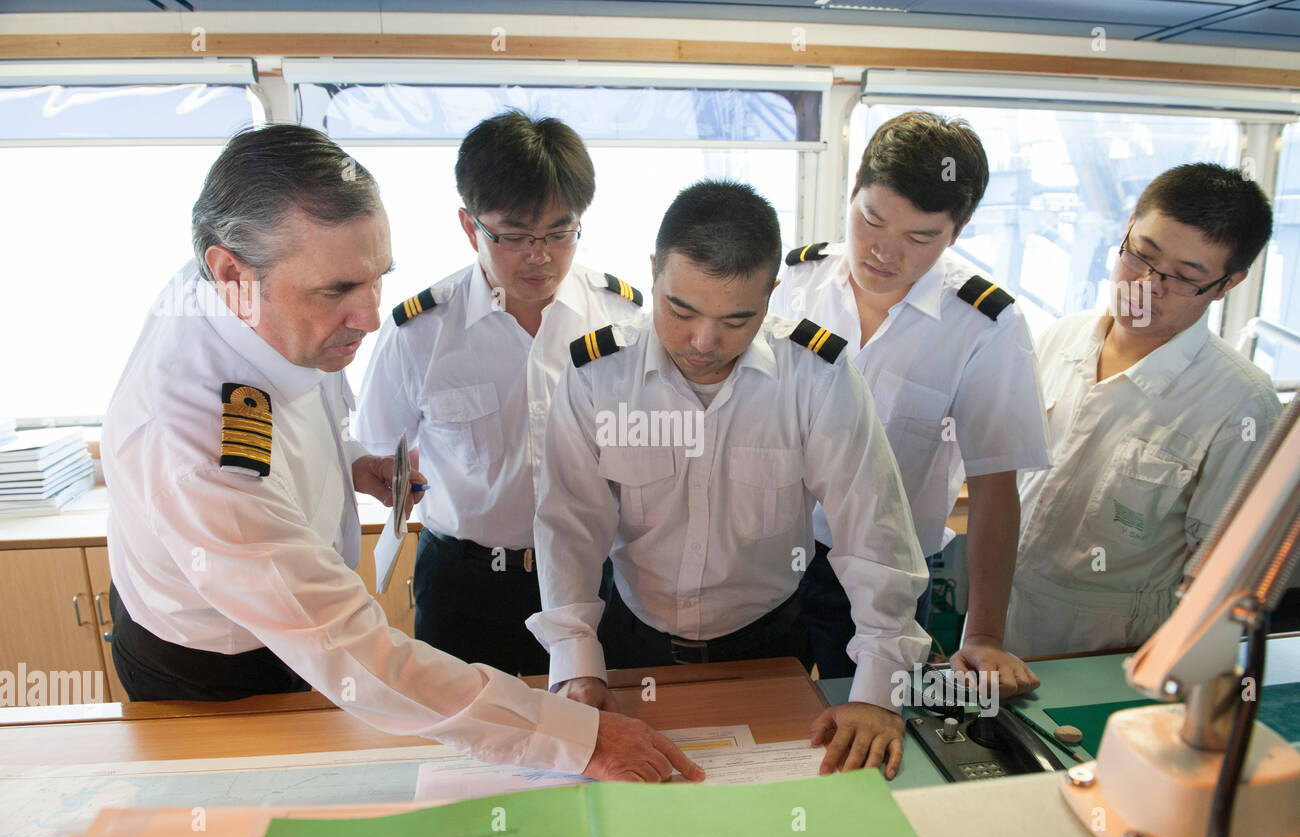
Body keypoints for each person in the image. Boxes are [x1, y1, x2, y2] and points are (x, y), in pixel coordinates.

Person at [101, 123, 701, 784]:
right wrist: (579, 740)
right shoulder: (195, 444)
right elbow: (350, 648)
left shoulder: (255, 286)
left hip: (309, 610)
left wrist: (353, 459)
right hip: (215, 663)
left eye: (377, 279)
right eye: (337, 291)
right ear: (230, 273)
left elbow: (305, 411)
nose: (368, 315)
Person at [528, 179, 932, 779]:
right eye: (680, 309)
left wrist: (876, 690)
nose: (703, 342)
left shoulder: (816, 377)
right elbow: (570, 528)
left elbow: (876, 532)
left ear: (771, 294)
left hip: (768, 647)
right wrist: (578, 662)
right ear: (654, 272)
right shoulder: (597, 376)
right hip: (634, 644)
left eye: (737, 319)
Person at [354, 111, 641, 677]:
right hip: (465, 587)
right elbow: (378, 449)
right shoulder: (421, 333)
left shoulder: (623, 319)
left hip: (592, 579)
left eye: (560, 233)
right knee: (465, 748)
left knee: (598, 735)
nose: (539, 255)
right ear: (469, 226)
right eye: (513, 236)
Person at [772, 110, 1048, 697]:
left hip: (889, 572)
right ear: (852, 190)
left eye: (920, 238)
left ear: (959, 229)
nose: (883, 253)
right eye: (871, 219)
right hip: (771, 554)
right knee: (762, 719)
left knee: (873, 730)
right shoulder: (794, 281)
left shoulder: (985, 326)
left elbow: (996, 488)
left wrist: (985, 637)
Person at [1006, 162, 1280, 656]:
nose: (1147, 286)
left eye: (1183, 278)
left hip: (1113, 650)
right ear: (1129, 226)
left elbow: (1224, 584)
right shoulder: (1059, 337)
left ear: (1227, 285)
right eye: (1141, 256)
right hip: (997, 621)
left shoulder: (1241, 406)